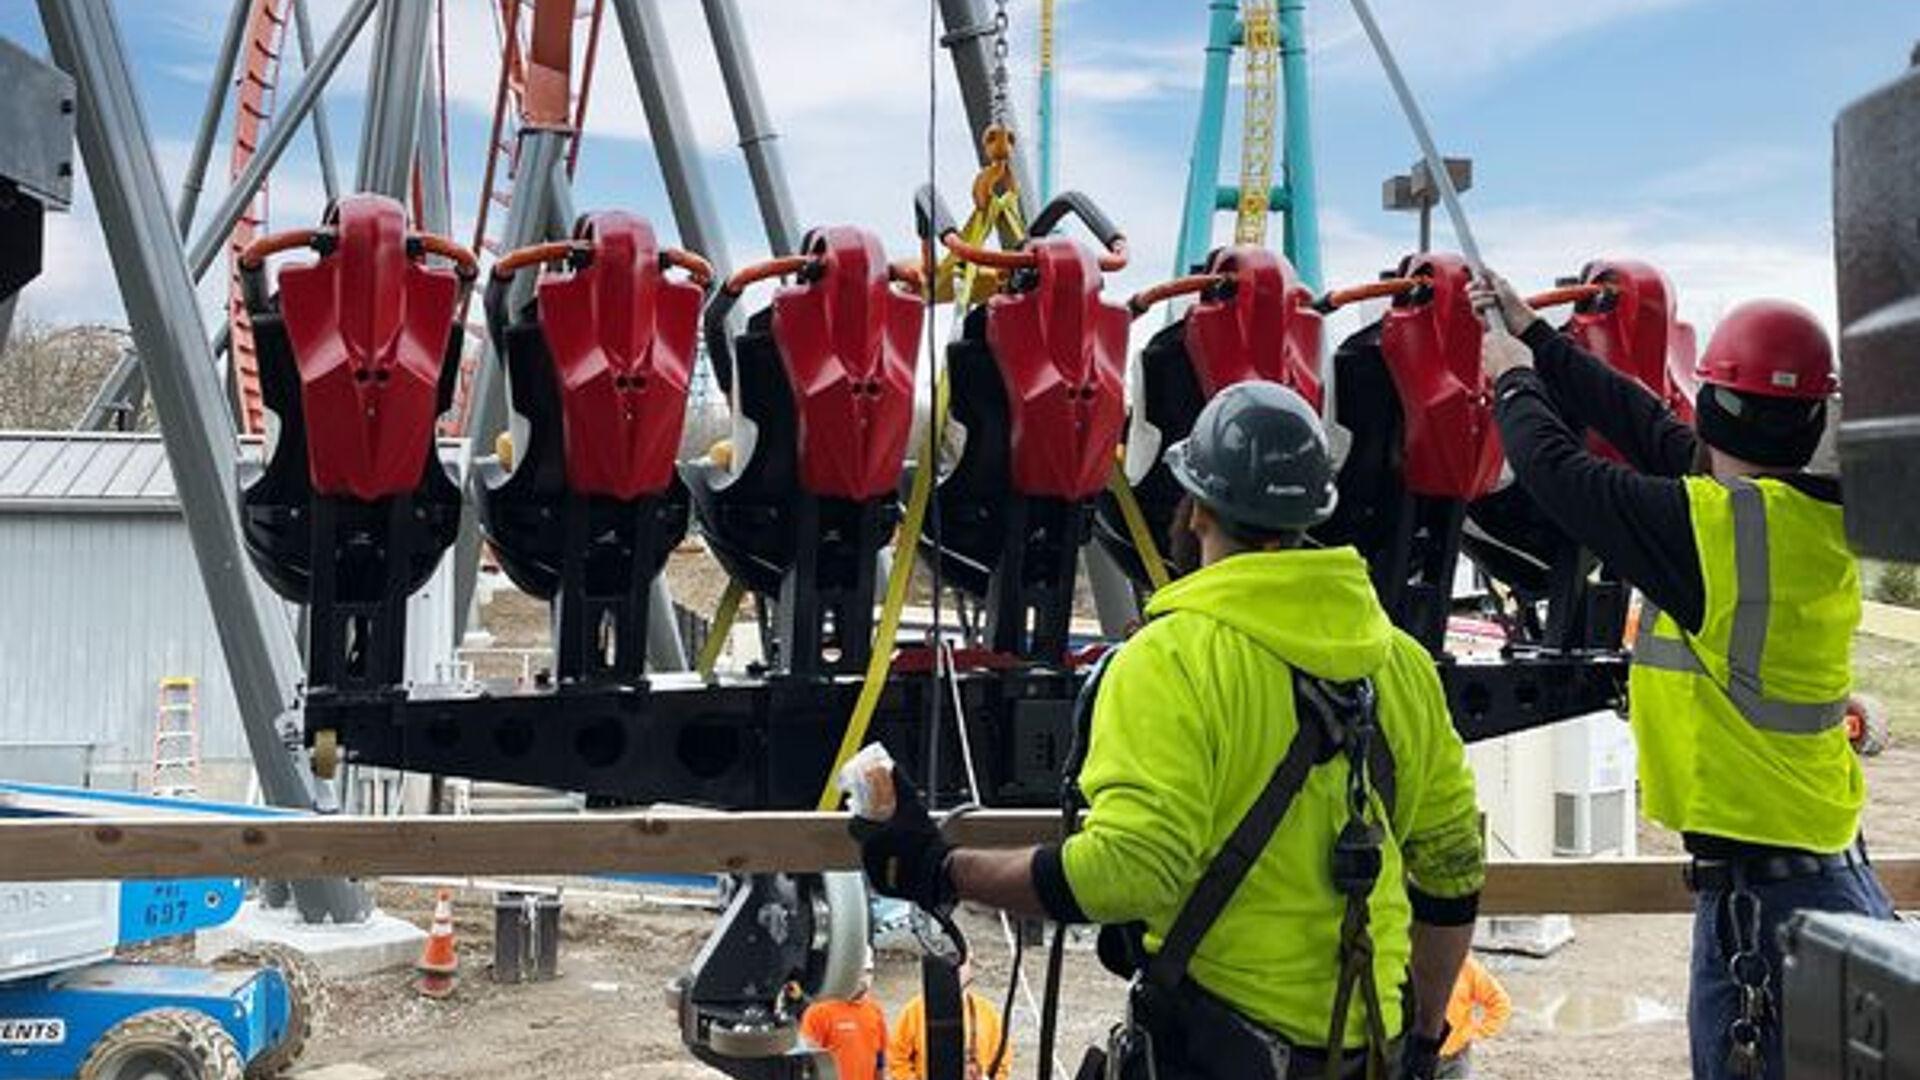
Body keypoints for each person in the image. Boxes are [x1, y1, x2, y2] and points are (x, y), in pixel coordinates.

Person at [852, 382, 1487, 1080]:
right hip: (1375, 1054)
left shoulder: (1170, 661)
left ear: (1198, 508)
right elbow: (1452, 866)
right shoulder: (1398, 663)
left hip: (1222, 1053)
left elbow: (1126, 872)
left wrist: (942, 868)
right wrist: (1425, 1040)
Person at [1472, 275, 1895, 1080]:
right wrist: (1538, 337)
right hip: (1821, 886)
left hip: (1768, 914)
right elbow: (1650, 429)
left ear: (1713, 405)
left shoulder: (1717, 534)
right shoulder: (1795, 517)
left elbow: (1559, 474)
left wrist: (1510, 377)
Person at [886, 960, 1010, 1080]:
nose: (955, 969)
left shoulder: (987, 1012)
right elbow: (897, 1059)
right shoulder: (914, 1011)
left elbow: (1002, 1061)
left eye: (961, 962)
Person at [800, 950, 888, 1080]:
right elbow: (807, 1065)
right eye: (859, 972)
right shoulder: (819, 1012)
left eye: (868, 972)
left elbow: (880, 1060)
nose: (864, 978)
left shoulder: (874, 1010)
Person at [1436, 954, 1509, 1077]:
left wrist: (1481, 1032)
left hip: (1454, 1057)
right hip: (1411, 1054)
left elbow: (1499, 1002)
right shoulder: (1406, 961)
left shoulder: (1466, 966)